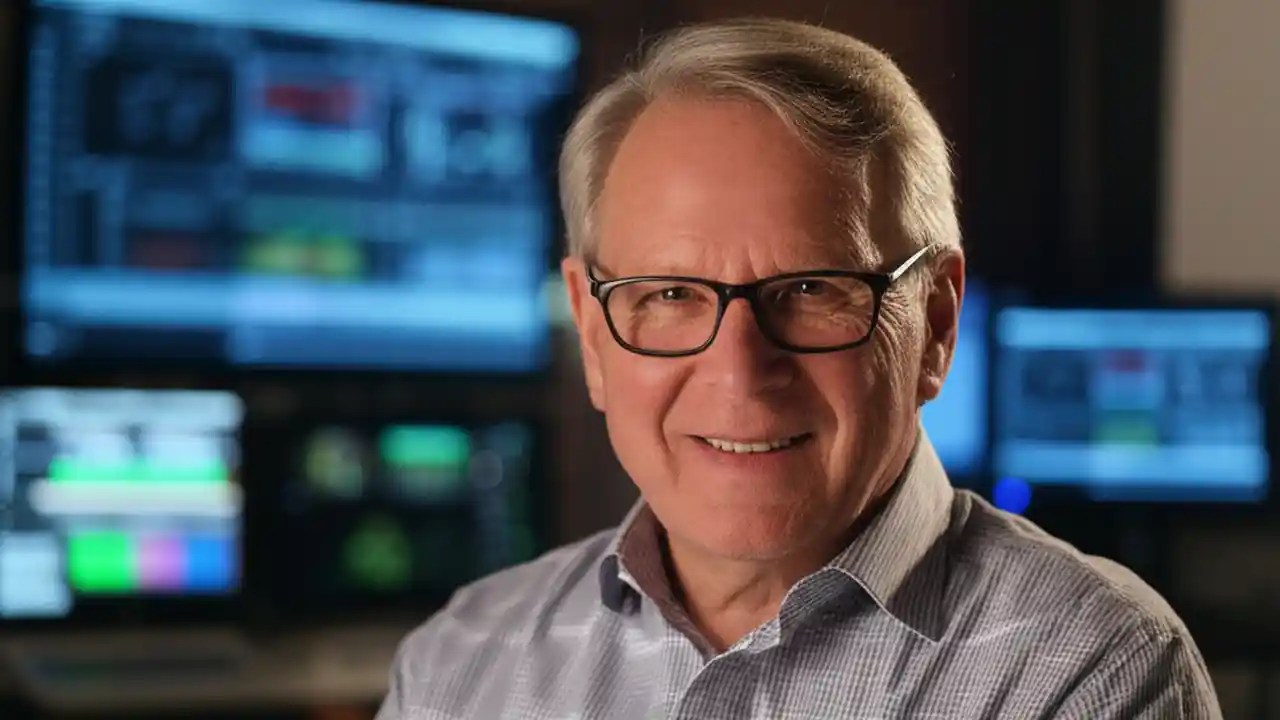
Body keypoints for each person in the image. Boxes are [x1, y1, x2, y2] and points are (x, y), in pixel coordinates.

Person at [376, 18, 1221, 719]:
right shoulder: (459, 666)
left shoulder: (1092, 671)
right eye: (669, 293)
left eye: (812, 288)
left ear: (934, 322)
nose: (740, 372)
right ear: (592, 332)